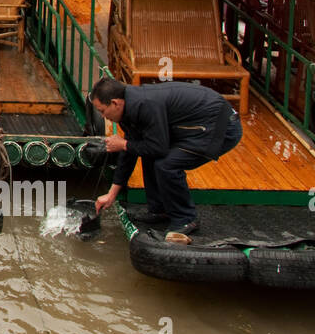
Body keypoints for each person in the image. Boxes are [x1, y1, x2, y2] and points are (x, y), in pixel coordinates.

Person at [90, 77, 243, 243]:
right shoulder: (128, 109)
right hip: (196, 123)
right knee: (147, 152)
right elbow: (130, 152)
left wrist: (124, 144)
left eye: (102, 111)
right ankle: (159, 209)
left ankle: (186, 218)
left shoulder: (145, 105)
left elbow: (157, 148)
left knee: (166, 165)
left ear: (115, 103)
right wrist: (112, 194)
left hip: (220, 126)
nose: (103, 116)